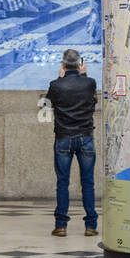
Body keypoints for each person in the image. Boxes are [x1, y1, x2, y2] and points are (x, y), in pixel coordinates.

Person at [45, 49, 98, 237]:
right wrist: (85, 75)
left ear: (63, 65)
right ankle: (90, 225)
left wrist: (59, 80)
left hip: (63, 138)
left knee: (62, 183)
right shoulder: (90, 83)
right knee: (88, 182)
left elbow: (47, 104)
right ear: (80, 64)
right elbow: (93, 102)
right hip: (86, 138)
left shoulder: (56, 85)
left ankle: (61, 226)